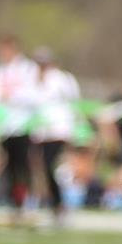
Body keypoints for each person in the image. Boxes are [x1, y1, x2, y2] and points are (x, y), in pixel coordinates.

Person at [0, 35, 39, 216]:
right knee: (6, 166)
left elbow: (34, 95)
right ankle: (11, 201)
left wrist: (12, 96)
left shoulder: (28, 69)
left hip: (24, 125)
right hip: (3, 126)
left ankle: (26, 200)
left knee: (23, 165)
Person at [30, 48, 81, 226]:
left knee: (53, 166)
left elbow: (73, 102)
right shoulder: (34, 81)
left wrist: (74, 128)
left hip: (59, 130)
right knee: (44, 168)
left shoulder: (61, 79)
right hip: (42, 132)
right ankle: (54, 204)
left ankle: (60, 204)